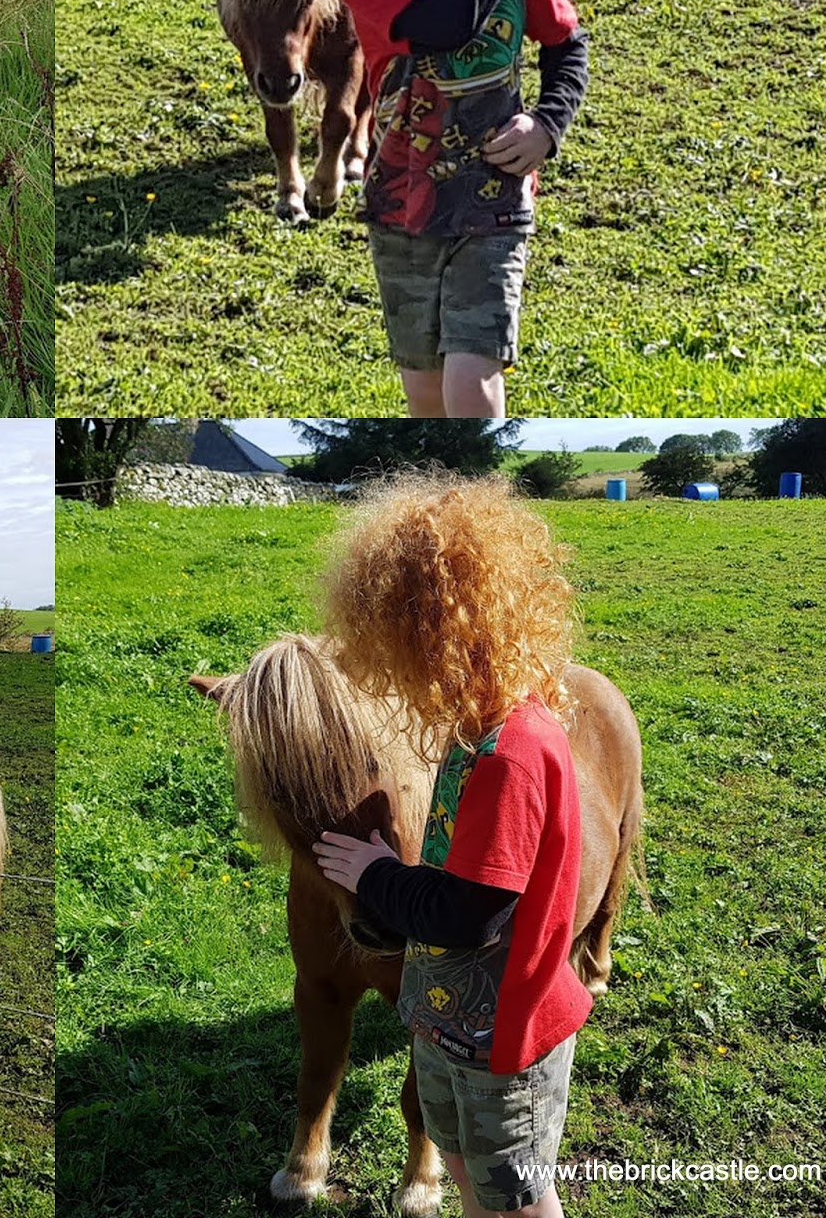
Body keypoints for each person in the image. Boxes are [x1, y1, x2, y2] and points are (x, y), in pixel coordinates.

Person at [311, 474, 585, 1218]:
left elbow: (472, 914)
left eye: (389, 648)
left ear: (430, 638)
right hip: (449, 1026)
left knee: (518, 1197)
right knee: (465, 1170)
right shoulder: (474, 735)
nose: (388, 673)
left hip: (505, 1042)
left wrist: (377, 876)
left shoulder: (508, 755)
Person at [313, 0, 589, 420]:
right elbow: (448, 24)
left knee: (473, 378)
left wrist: (547, 125)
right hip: (402, 206)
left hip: (493, 205)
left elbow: (566, 43)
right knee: (426, 394)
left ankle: (482, 490)